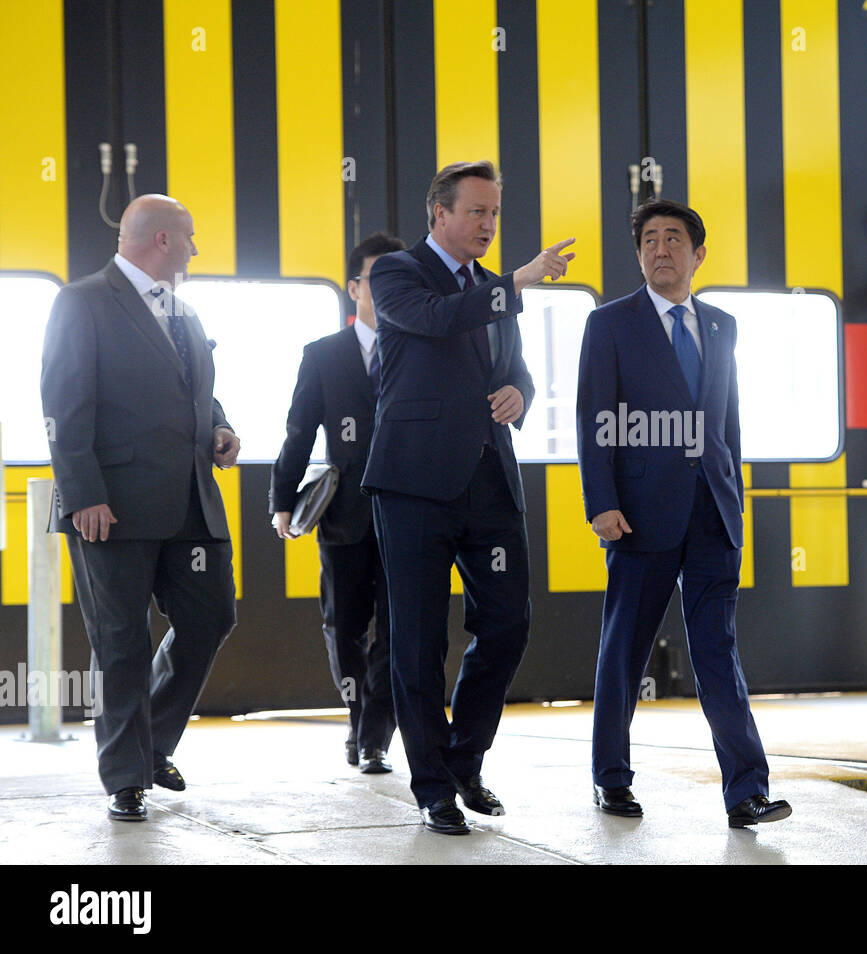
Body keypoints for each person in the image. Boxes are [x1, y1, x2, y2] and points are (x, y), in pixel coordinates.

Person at [362, 160, 575, 835]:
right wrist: (517, 282)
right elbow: (434, 319)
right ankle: (432, 788)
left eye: (494, 213)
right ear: (439, 213)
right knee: (418, 641)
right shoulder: (397, 274)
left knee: (508, 623)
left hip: (488, 481)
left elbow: (509, 368)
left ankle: (463, 758)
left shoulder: (494, 290)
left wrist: (521, 392)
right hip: (413, 485)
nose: (488, 225)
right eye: (476, 212)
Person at [576, 198, 790, 828]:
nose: (660, 249)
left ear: (698, 254)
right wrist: (602, 503)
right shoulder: (610, 324)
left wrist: (736, 502)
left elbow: (728, 425)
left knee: (718, 653)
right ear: (638, 253)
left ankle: (746, 791)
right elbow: (595, 422)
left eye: (673, 239)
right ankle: (610, 779)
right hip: (638, 516)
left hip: (713, 519)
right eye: (649, 239)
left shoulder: (723, 325)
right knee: (625, 651)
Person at [40, 194, 240, 821]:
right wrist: (84, 495)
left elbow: (196, 392)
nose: (195, 249)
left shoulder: (182, 310)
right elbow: (62, 404)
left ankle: (149, 741)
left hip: (190, 503)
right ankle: (127, 777)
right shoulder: (81, 301)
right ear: (161, 240)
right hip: (112, 507)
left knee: (211, 618)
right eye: (190, 238)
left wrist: (220, 427)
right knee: (122, 641)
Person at [270, 232, 404, 774]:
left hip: (410, 515)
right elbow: (299, 431)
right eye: (380, 279)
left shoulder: (421, 350)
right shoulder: (322, 356)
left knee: (400, 631)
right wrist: (283, 499)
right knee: (343, 625)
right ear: (355, 288)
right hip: (345, 515)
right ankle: (357, 718)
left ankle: (375, 736)